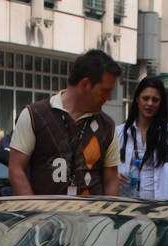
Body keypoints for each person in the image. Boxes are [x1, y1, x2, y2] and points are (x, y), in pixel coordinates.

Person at [8, 48, 121, 197]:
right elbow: (16, 169)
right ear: (85, 84)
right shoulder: (33, 115)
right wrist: (35, 214)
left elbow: (111, 181)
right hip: (45, 218)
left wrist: (109, 216)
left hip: (92, 219)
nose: (109, 98)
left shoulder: (107, 126)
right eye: (105, 91)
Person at [117, 75, 168, 201]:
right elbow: (107, 173)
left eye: (155, 100)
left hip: (161, 212)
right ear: (137, 99)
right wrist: (115, 178)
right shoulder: (119, 133)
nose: (150, 103)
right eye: (145, 98)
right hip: (126, 209)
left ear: (161, 103)